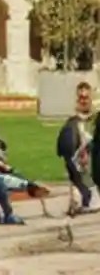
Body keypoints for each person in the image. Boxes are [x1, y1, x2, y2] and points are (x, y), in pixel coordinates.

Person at [58, 81, 95, 215]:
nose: (83, 101)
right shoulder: (71, 123)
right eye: (81, 98)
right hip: (79, 169)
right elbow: (64, 152)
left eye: (86, 97)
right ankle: (80, 198)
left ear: (91, 98)